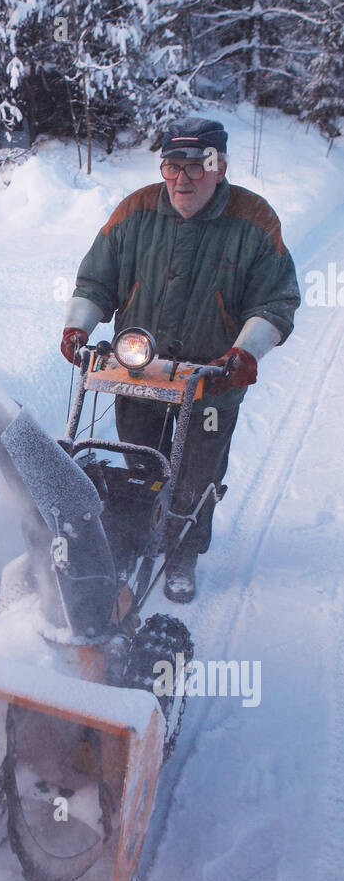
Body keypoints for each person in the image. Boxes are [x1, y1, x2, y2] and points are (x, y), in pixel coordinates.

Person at [60, 117, 300, 603]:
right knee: (141, 461)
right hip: (140, 369)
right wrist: (78, 326)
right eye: (173, 164)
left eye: (197, 165)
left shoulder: (254, 221)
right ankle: (130, 537)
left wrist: (246, 350)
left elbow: (275, 302)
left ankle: (183, 550)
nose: (182, 177)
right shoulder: (137, 210)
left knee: (196, 472)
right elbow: (95, 281)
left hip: (213, 377)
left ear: (220, 166)